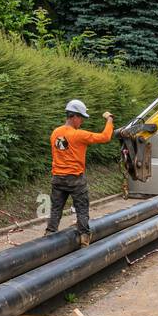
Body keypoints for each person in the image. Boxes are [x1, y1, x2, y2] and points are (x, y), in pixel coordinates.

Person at [47, 99, 114, 243]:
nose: (81, 121)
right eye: (81, 118)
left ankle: (49, 236)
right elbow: (105, 137)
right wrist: (109, 120)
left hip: (57, 178)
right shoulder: (78, 135)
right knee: (82, 209)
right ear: (74, 116)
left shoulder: (55, 133)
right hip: (75, 179)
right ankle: (84, 239)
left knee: (55, 209)